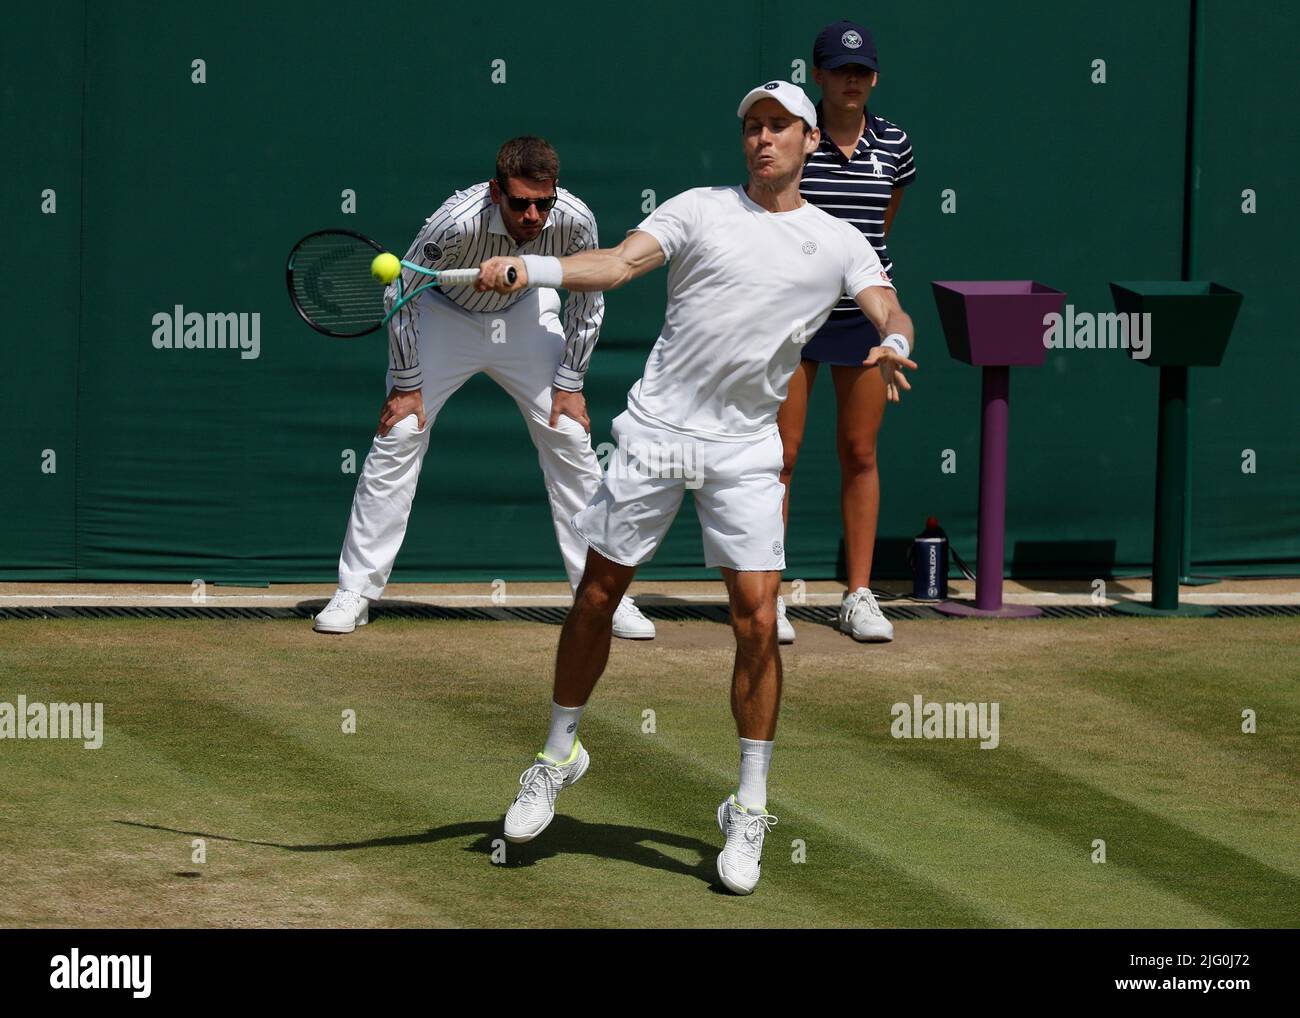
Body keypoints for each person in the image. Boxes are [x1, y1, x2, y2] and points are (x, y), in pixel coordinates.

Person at [475, 83, 918, 895]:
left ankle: (747, 807)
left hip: (747, 450)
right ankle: (557, 753)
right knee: (597, 595)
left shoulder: (840, 240)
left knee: (756, 620)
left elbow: (886, 302)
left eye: (778, 127)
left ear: (809, 141)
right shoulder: (698, 209)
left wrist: (891, 339)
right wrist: (532, 267)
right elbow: (614, 264)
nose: (761, 139)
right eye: (751, 127)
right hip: (656, 434)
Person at [312, 137, 655, 640]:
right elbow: (402, 291)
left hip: (524, 314)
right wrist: (407, 386)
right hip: (444, 317)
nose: (533, 215)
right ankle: (355, 591)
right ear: (497, 192)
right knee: (401, 432)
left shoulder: (576, 221)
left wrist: (570, 382)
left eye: (544, 202)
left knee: (569, 436)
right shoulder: (456, 221)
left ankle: (603, 596)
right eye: (520, 203)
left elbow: (588, 297)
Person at [778, 20, 918, 644]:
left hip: (863, 321)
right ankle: (769, 593)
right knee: (777, 458)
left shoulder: (896, 144)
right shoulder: (796, 142)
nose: (851, 81)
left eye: (861, 72)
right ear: (820, 76)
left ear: (875, 77)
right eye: (840, 71)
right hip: (793, 322)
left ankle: (858, 596)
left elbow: (879, 227)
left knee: (860, 453)